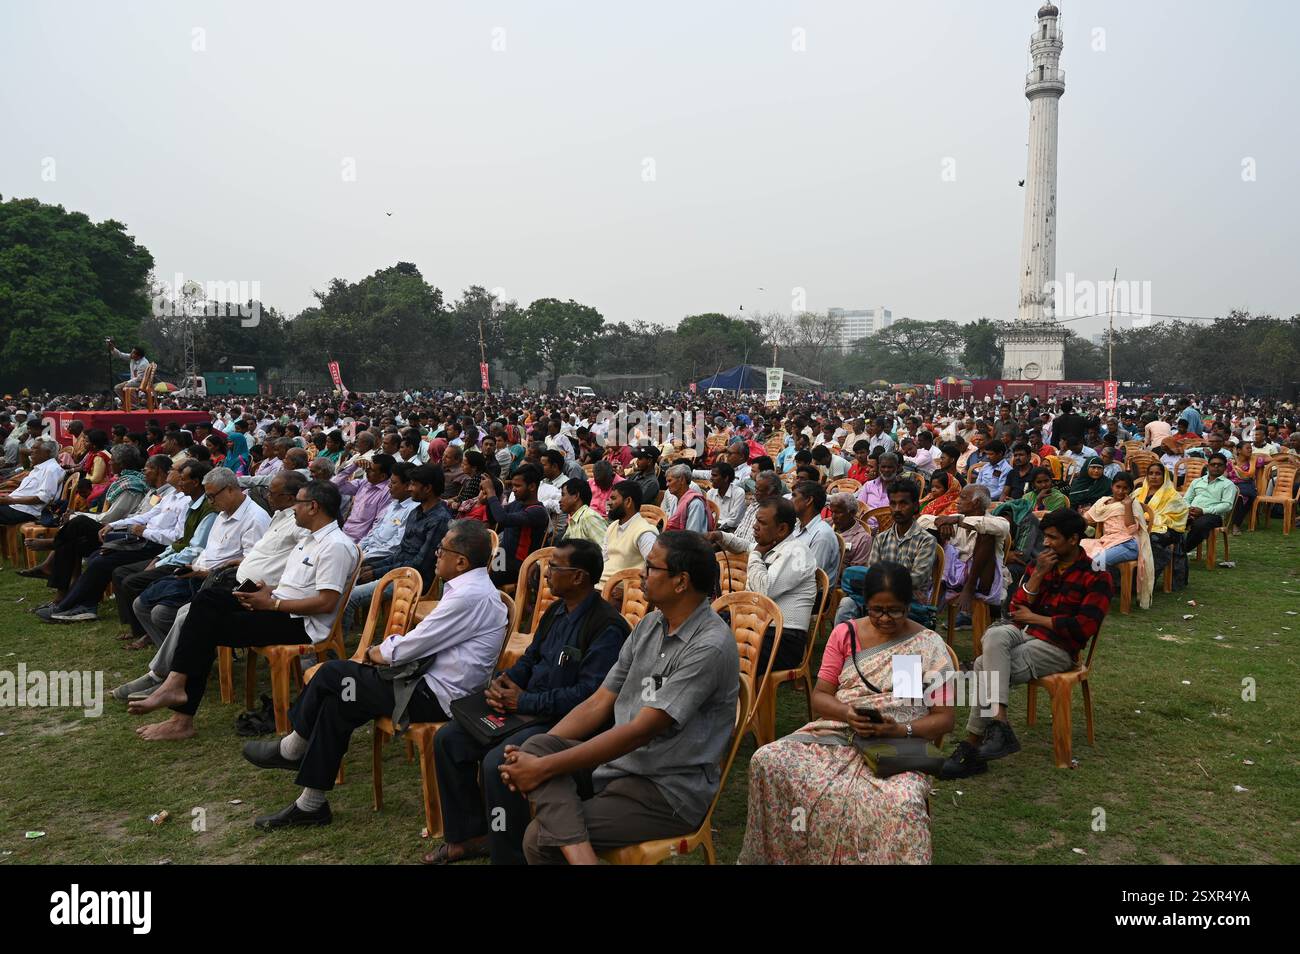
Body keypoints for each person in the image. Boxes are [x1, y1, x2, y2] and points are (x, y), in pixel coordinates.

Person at [241, 519, 507, 829]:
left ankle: (292, 748)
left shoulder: (469, 596)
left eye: (442, 549)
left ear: (461, 561)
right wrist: (384, 652)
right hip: (422, 682)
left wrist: (374, 652)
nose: (436, 554)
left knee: (332, 674)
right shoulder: (467, 588)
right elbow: (422, 641)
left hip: (437, 697)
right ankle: (311, 803)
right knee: (339, 701)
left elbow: (413, 646)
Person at [499, 531, 739, 865]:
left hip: (665, 789)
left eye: (651, 567)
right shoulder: (651, 625)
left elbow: (640, 731)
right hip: (621, 766)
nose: (641, 574)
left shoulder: (708, 646)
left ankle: (581, 857)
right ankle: (585, 857)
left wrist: (542, 768)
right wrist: (534, 759)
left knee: (540, 840)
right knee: (536, 745)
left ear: (681, 582)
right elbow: (599, 702)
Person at [738, 562, 955, 864]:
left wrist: (899, 730)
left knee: (902, 800)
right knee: (767, 760)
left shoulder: (928, 645)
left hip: (895, 747)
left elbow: (944, 718)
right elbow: (820, 697)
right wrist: (848, 713)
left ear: (910, 605)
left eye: (895, 611)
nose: (885, 618)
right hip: (839, 731)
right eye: (877, 610)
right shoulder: (846, 634)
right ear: (865, 604)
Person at [429, 539, 630, 864]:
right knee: (448, 739)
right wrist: (506, 681)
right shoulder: (556, 610)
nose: (546, 573)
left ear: (578, 577)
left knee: (500, 763)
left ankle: (509, 855)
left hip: (564, 723)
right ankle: (472, 835)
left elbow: (589, 697)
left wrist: (524, 701)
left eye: (554, 567)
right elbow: (531, 657)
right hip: (526, 709)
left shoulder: (605, 628)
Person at [127, 479, 360, 742]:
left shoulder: (335, 546)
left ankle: (180, 707)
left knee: (204, 626)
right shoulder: (309, 541)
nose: (293, 508)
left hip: (300, 624)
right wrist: (267, 590)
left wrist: (273, 604)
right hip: (278, 607)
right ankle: (176, 689)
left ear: (313, 507)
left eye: (298, 503)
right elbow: (297, 586)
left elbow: (326, 602)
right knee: (208, 600)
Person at [941, 508, 1112, 779]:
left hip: (1058, 648)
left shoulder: (1097, 576)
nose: (1046, 543)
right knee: (995, 635)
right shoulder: (1041, 564)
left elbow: (1082, 628)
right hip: (1023, 633)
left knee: (983, 665)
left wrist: (1036, 617)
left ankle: (972, 747)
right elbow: (1014, 607)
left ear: (1073, 539)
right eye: (1045, 537)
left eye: (1053, 538)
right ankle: (1000, 724)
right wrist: (1037, 576)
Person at [111, 471, 309, 703]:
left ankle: (166, 677)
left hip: (252, 591)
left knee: (186, 614)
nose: (267, 497)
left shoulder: (291, 525)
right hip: (231, 581)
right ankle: (169, 673)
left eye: (272, 493)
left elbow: (304, 582)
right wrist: (244, 562)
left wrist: (270, 594)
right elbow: (265, 555)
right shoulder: (280, 516)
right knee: (159, 604)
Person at [36, 460, 210, 624]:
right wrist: (114, 525)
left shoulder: (187, 501)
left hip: (153, 544)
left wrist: (144, 531)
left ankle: (72, 602)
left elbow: (176, 537)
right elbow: (146, 516)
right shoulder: (170, 496)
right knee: (88, 548)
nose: (175, 475)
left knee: (95, 551)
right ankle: (73, 602)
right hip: (139, 537)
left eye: (176, 471)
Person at [837, 479, 938, 626]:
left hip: (909, 601)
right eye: (893, 503)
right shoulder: (881, 538)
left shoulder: (926, 540)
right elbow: (872, 574)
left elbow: (916, 579)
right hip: (878, 597)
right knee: (847, 604)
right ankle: (847, 648)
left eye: (903, 503)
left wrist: (882, 580)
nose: (897, 509)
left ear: (915, 506)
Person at [746, 498, 817, 674]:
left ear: (782, 529)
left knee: (719, 652)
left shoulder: (796, 551)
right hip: (762, 631)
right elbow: (745, 546)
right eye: (756, 520)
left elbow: (764, 590)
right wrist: (721, 537)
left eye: (761, 522)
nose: (755, 526)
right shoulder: (774, 546)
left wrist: (755, 555)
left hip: (783, 640)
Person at [920, 484, 1010, 615]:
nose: (957, 501)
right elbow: (921, 520)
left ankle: (969, 588)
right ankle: (934, 599)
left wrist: (959, 520)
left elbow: (1003, 527)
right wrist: (940, 522)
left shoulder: (995, 521)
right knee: (932, 535)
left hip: (982, 579)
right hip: (955, 575)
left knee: (987, 535)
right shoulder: (954, 518)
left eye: (963, 498)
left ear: (976, 503)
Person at [1079, 471, 1153, 606]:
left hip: (1129, 544)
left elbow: (1132, 529)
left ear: (1130, 490)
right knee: (1079, 553)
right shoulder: (1103, 502)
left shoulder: (1132, 504)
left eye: (1125, 488)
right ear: (1112, 486)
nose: (1120, 491)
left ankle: (1096, 594)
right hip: (1107, 541)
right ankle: (1084, 591)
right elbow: (1087, 519)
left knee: (1097, 560)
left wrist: (1128, 506)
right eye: (1118, 487)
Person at [0, 438, 63, 526]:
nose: (31, 451)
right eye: (31, 448)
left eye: (35, 449)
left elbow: (43, 498)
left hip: (24, 510)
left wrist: (12, 500)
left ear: (47, 452)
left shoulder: (52, 469)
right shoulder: (40, 468)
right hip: (15, 505)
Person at [1182, 453, 1236, 553]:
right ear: (1208, 466)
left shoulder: (1228, 485)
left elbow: (1227, 505)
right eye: (1213, 464)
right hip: (1192, 512)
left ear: (1225, 467)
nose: (1216, 467)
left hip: (1213, 516)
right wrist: (1189, 509)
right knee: (1171, 519)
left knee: (1200, 525)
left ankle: (1180, 552)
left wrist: (1203, 511)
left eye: (1219, 465)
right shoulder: (1197, 482)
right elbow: (1186, 499)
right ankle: (1166, 549)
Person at [791, 480, 840, 587]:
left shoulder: (822, 534)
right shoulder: (796, 527)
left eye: (794, 496)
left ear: (808, 500)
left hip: (807, 596)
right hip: (791, 585)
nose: (791, 500)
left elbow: (810, 578)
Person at [662, 464, 713, 533]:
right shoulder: (675, 499)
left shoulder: (695, 504)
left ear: (682, 480)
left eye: (670, 481)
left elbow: (692, 534)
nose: (667, 485)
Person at [558, 478, 607, 545]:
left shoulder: (589, 517)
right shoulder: (574, 520)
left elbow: (606, 549)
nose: (560, 500)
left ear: (576, 496)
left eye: (563, 495)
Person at [827, 491, 871, 566]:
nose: (833, 517)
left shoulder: (863, 538)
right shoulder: (826, 524)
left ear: (852, 513)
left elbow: (854, 572)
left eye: (838, 512)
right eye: (832, 512)